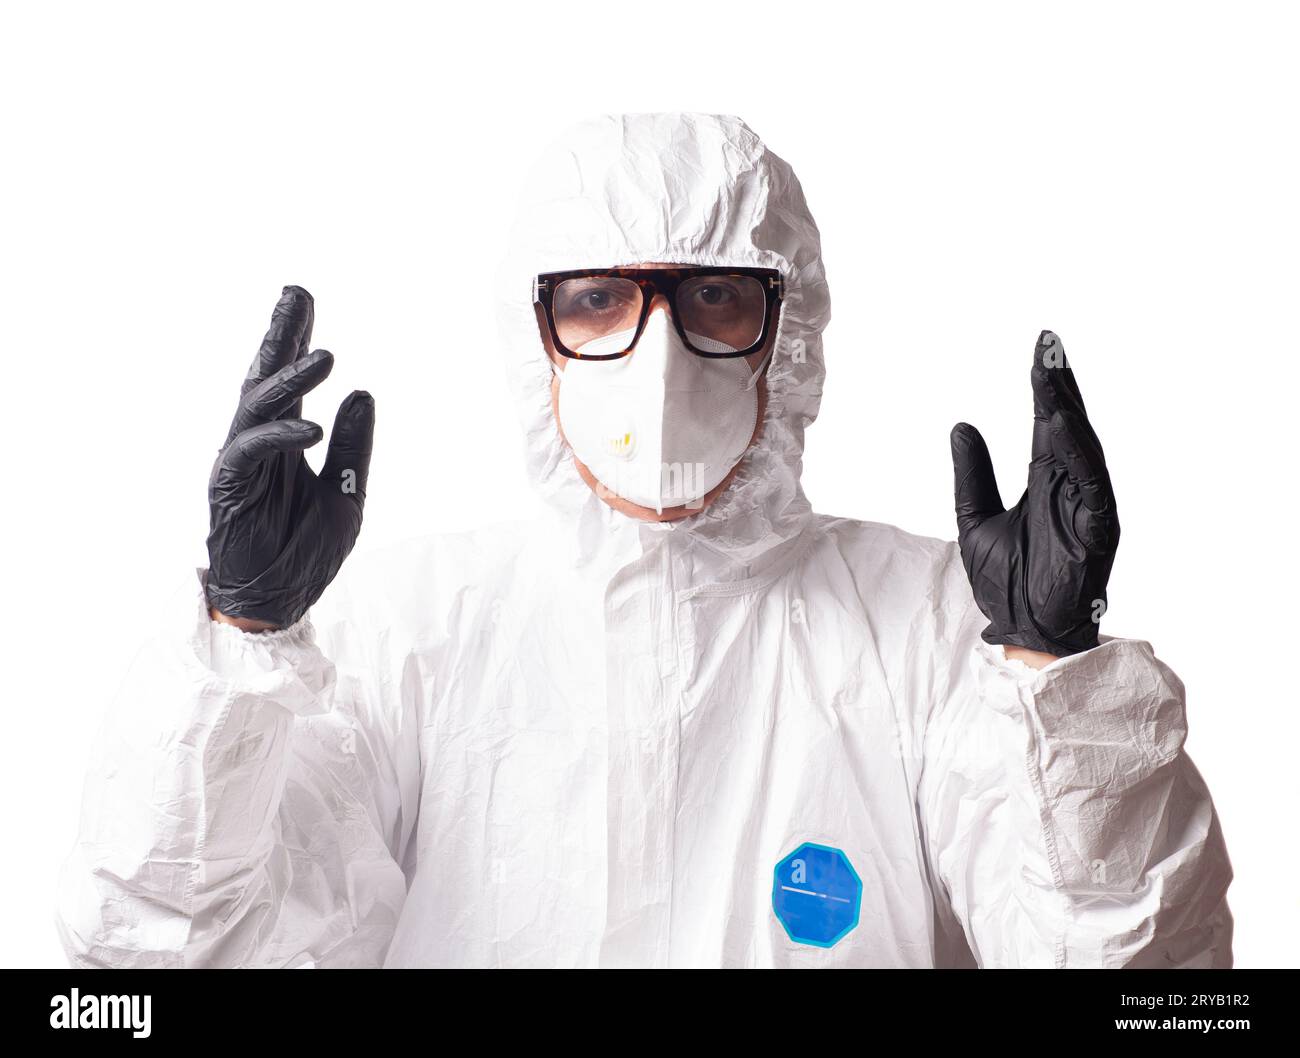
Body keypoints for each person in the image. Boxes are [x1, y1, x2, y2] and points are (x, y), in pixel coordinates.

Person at [55, 112, 1232, 968]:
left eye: (716, 297)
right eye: (598, 301)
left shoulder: (925, 629)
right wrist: (240, 642)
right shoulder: (409, 630)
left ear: (790, 324)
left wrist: (1053, 674)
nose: (659, 360)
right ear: (538, 335)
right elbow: (158, 960)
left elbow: (1142, 985)